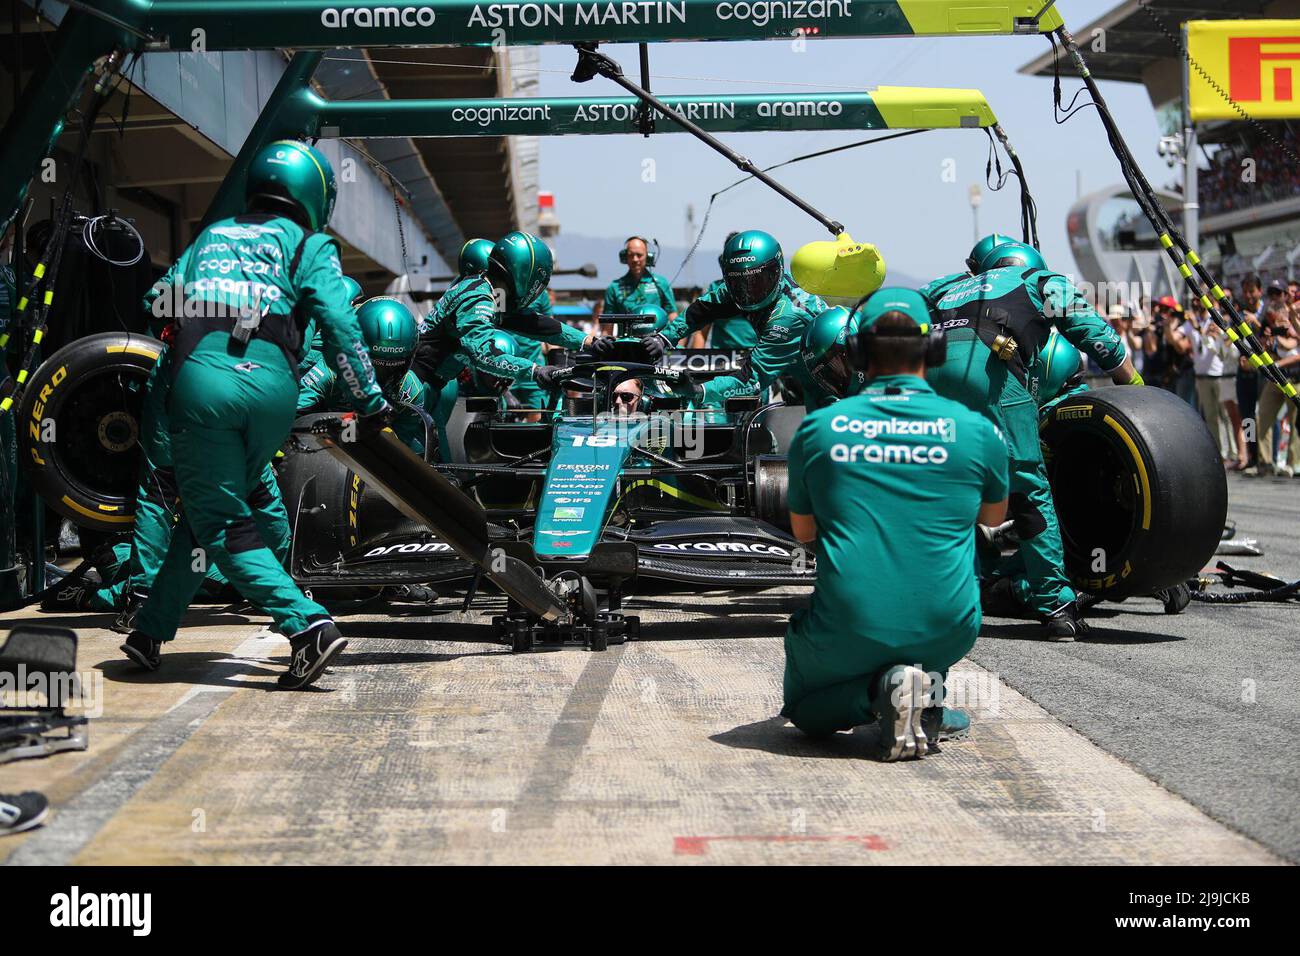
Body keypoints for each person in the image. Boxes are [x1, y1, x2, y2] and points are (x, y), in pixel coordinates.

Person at [120, 139, 390, 690]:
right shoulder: (310, 244)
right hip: (273, 393)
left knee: (219, 520)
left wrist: (203, 314)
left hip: (205, 387)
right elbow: (340, 326)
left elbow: (155, 302)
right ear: (313, 194)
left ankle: (307, 625)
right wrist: (369, 399)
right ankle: (150, 629)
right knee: (209, 512)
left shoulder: (212, 236)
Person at [781, 288, 1008, 761]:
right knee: (925, 628)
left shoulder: (819, 430)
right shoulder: (978, 431)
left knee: (803, 709)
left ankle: (880, 694)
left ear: (861, 352)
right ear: (934, 349)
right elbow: (992, 519)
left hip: (852, 619)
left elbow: (804, 534)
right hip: (948, 623)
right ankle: (926, 698)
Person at [920, 235, 1140, 639]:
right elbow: (1093, 332)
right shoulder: (1039, 280)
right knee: (1027, 491)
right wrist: (1138, 391)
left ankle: (961, 589)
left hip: (928, 374)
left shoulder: (945, 285)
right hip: (989, 373)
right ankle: (1055, 604)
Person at [412, 232, 607, 459]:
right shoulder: (480, 299)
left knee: (440, 467)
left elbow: (537, 324)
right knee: (424, 464)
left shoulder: (490, 291)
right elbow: (484, 354)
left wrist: (589, 341)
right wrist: (534, 371)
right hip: (420, 386)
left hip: (432, 384)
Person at [643, 230, 827, 406]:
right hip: (798, 378)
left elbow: (751, 379)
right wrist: (665, 337)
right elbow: (703, 308)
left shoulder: (788, 318)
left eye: (757, 282)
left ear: (776, 270)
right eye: (739, 283)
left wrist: (699, 390)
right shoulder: (738, 288)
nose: (748, 291)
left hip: (830, 385)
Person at [298, 296, 431, 454]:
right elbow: (293, 410)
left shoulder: (412, 391)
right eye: (372, 365)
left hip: (370, 450)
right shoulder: (332, 369)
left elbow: (402, 445)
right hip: (323, 445)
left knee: (420, 453)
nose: (381, 378)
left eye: (393, 367)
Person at [1253, 305, 1300, 477]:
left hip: (1294, 381)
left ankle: (1292, 463)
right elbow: (1269, 352)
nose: (1280, 323)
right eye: (1277, 320)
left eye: (1283, 319)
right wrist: (1269, 338)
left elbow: (1293, 349)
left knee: (1295, 422)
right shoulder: (1276, 334)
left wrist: (1281, 336)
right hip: (1275, 380)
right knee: (1262, 416)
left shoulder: (1296, 332)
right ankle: (1265, 462)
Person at [593, 236, 677, 326]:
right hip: (627, 339)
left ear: (648, 257)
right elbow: (608, 327)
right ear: (624, 257)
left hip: (657, 338)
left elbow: (673, 317)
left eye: (639, 255)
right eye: (631, 255)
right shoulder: (614, 287)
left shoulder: (661, 283)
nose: (635, 259)